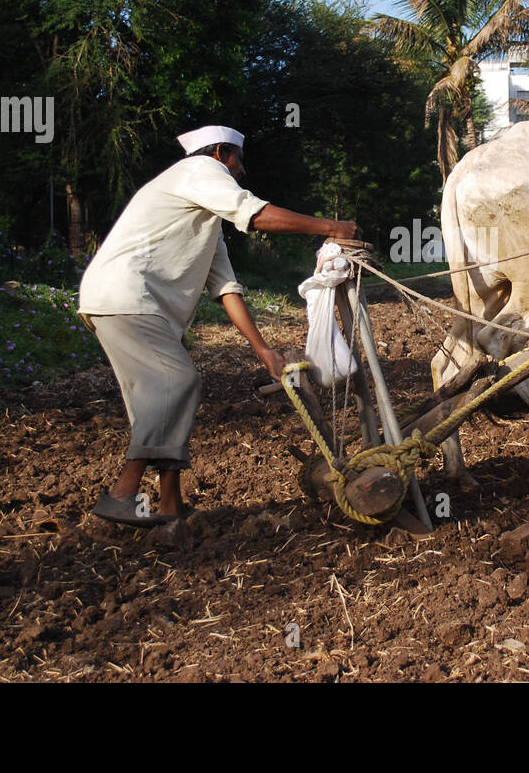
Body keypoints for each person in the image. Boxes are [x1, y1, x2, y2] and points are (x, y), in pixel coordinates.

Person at [78, 125, 360, 526]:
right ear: (220, 154)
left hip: (129, 303)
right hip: (125, 297)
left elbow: (227, 289)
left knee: (162, 400)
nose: (241, 171)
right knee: (177, 383)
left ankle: (170, 506)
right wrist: (331, 227)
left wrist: (263, 350)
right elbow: (256, 215)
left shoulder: (203, 217)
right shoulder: (197, 172)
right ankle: (121, 493)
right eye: (238, 160)